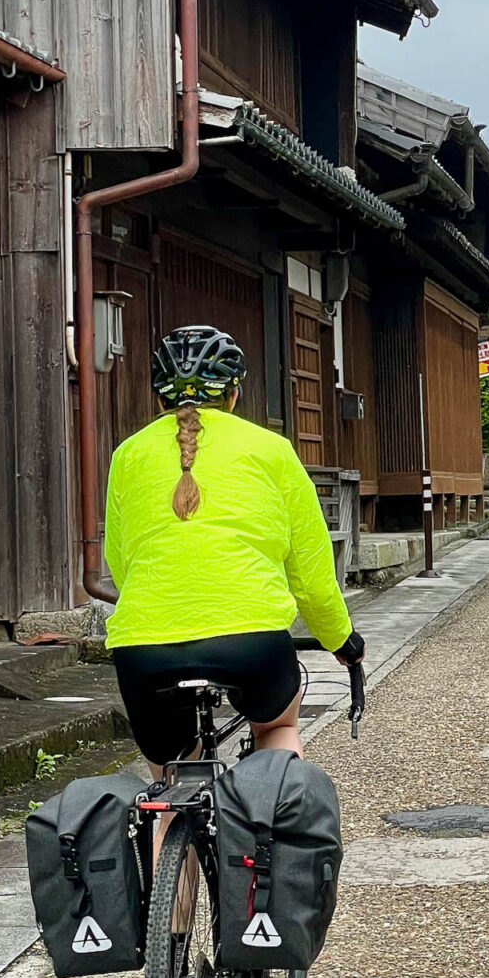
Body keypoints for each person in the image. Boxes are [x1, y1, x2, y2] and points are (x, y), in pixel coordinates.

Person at [103, 324, 363, 766]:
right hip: (252, 643)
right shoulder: (271, 449)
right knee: (277, 727)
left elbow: (121, 561)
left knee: (172, 767)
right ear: (233, 394)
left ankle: (170, 807)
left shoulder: (127, 455)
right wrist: (341, 641)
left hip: (143, 648)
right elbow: (311, 575)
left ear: (161, 399)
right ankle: (276, 800)